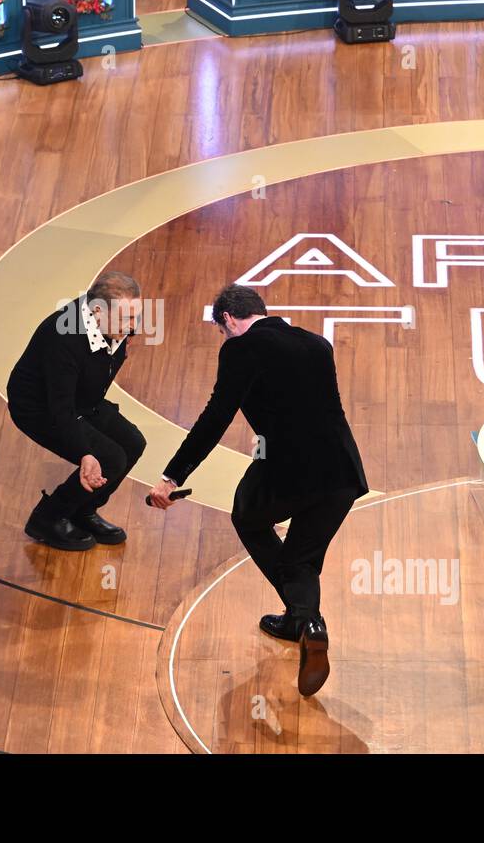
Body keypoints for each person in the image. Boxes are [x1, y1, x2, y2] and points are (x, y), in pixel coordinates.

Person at [148, 284, 368, 697]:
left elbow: (215, 418)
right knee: (301, 558)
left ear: (228, 320)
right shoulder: (317, 343)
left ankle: (307, 620)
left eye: (222, 330)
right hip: (342, 471)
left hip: (285, 469)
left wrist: (172, 476)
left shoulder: (240, 349)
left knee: (248, 518)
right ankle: (302, 623)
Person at [7, 272, 146, 552]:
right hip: (40, 408)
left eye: (137, 317)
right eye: (127, 320)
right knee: (110, 458)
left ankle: (82, 510)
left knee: (133, 443)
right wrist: (85, 452)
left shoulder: (112, 322)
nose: (133, 327)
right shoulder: (63, 337)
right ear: (97, 311)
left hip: (84, 398)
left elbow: (100, 373)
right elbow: (60, 408)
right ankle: (47, 518)